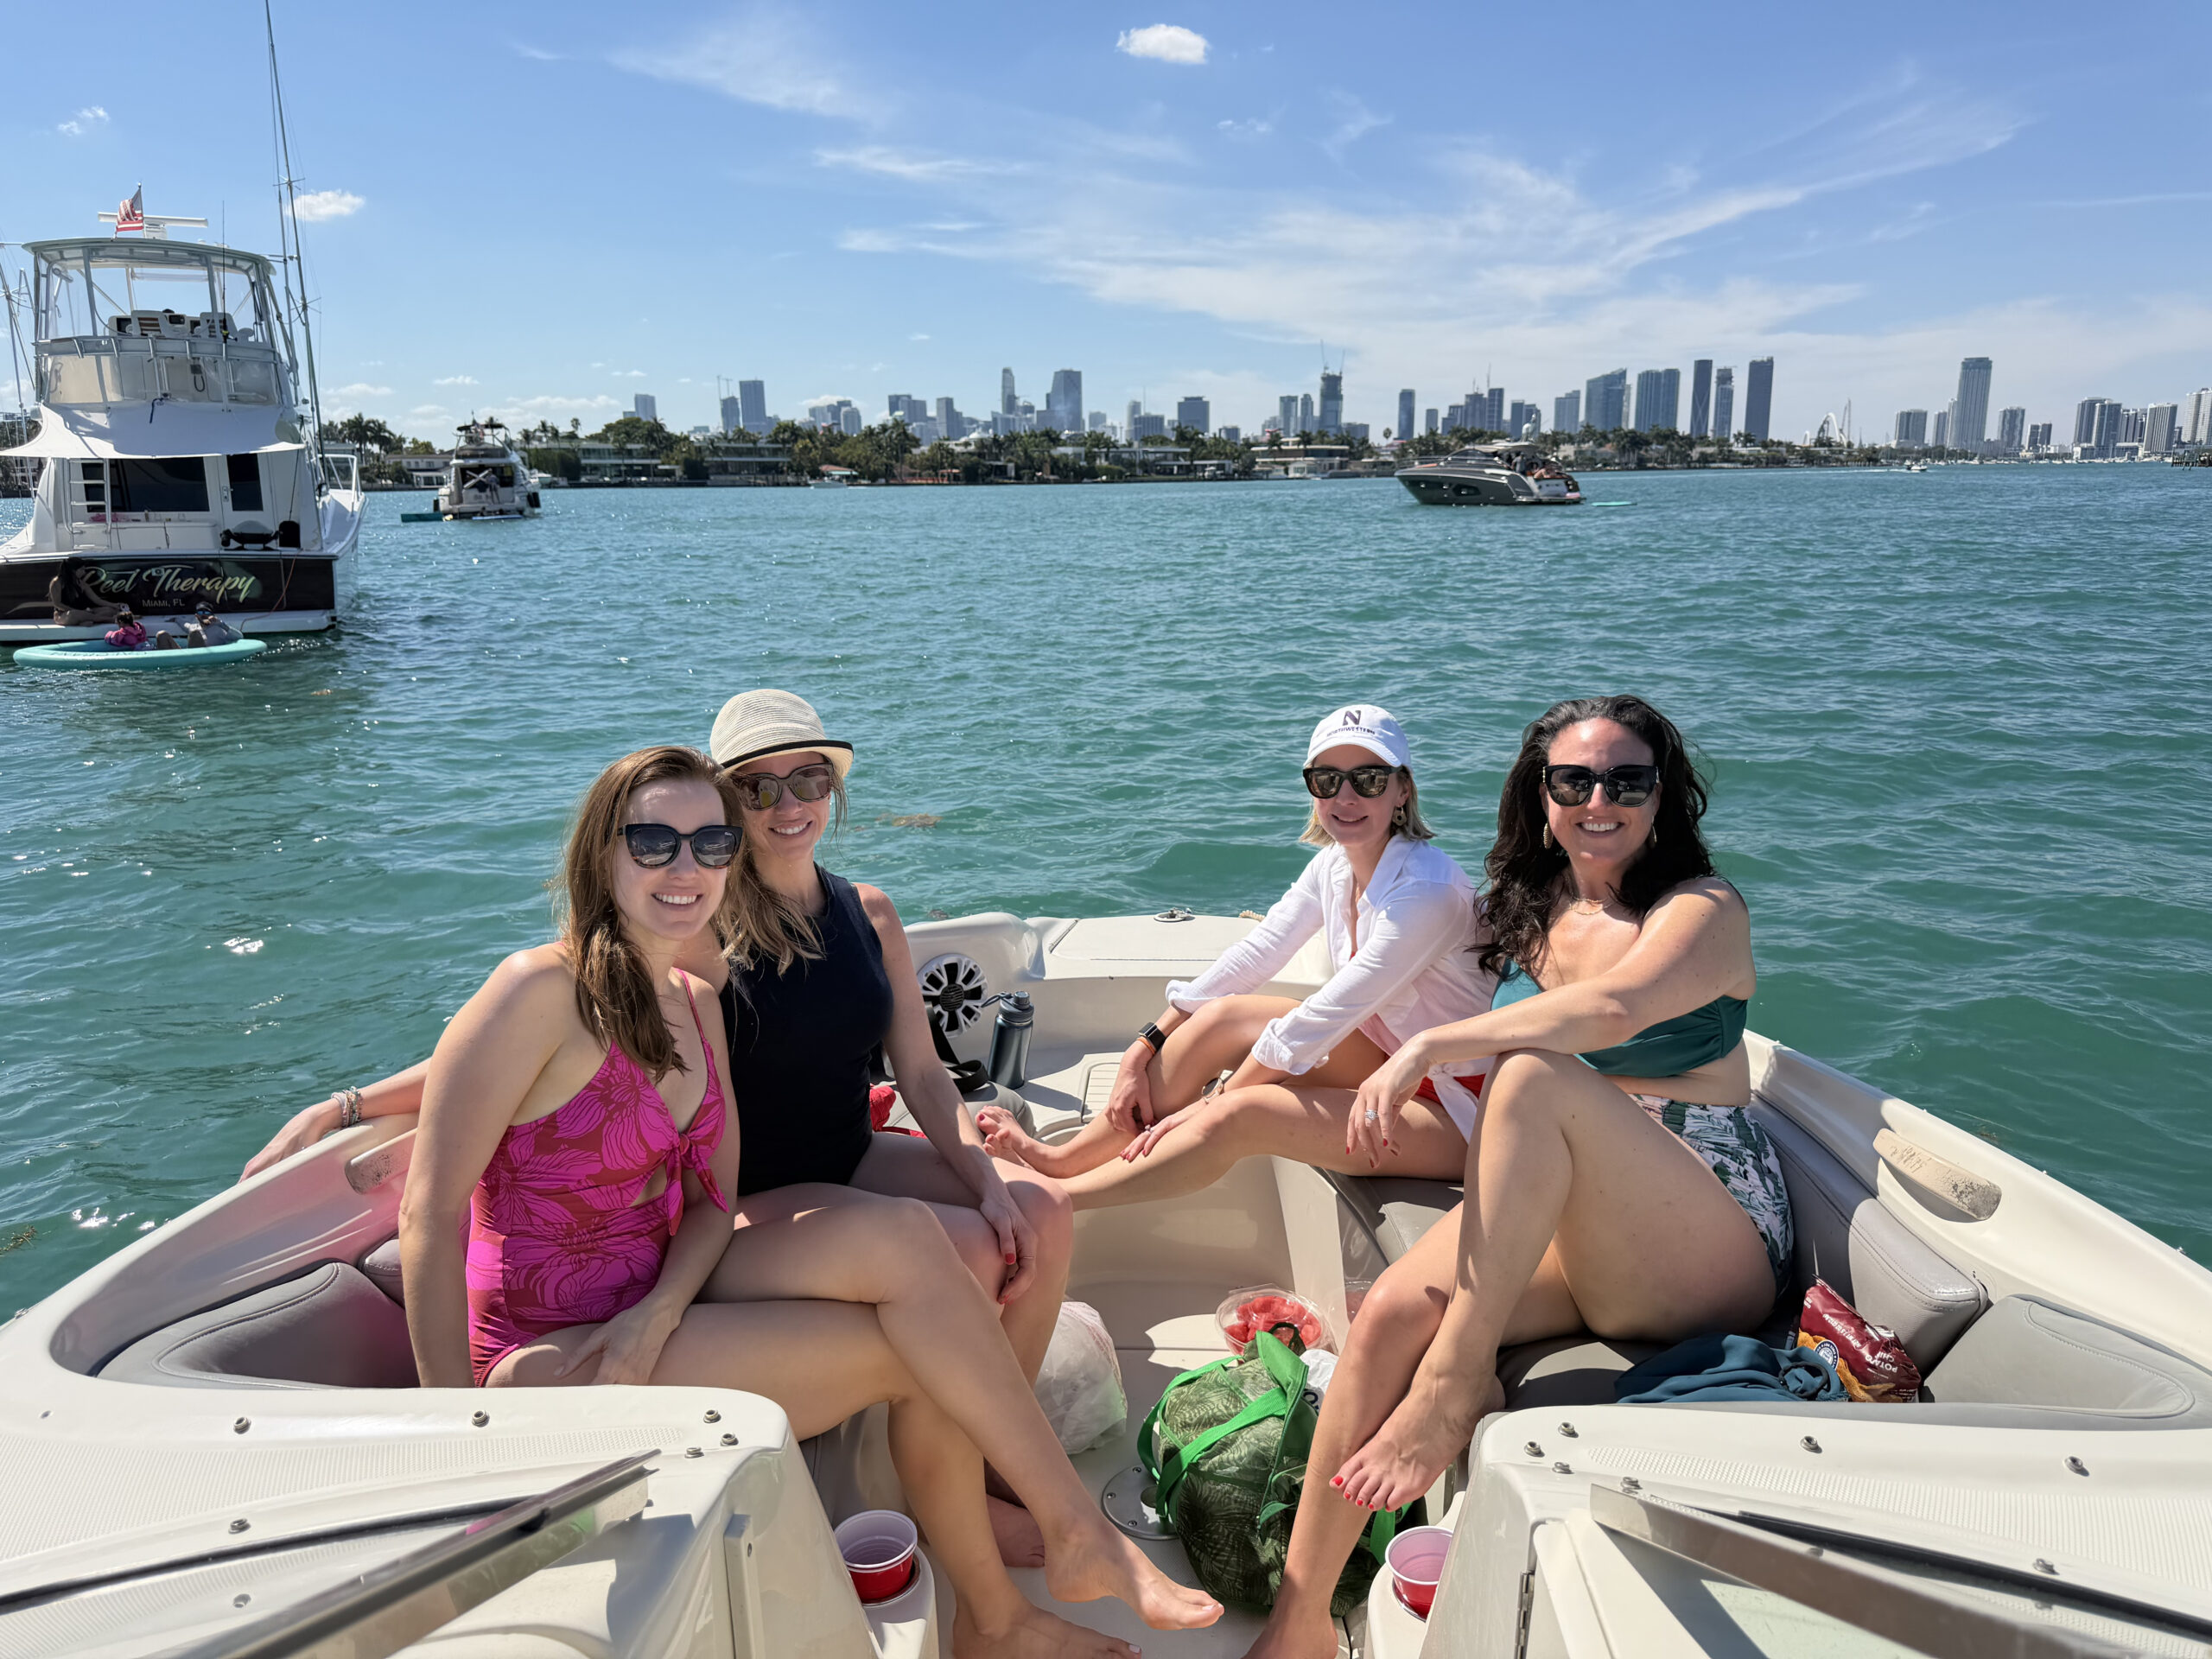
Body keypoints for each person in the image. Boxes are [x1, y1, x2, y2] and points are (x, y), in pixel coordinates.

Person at [404, 743, 1218, 1657]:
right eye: (653, 843)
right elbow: (429, 1213)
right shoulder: (537, 991)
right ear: (602, 854)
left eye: (708, 845)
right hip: (544, 1356)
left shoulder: (692, 1000)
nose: (686, 867)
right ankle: (1061, 1545)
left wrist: (658, 1311)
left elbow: (710, 1204)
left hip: (653, 1305)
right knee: (936, 1321)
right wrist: (458, 1440)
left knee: (934, 1328)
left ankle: (1000, 1617)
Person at [240, 690, 1076, 1562]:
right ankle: (974, 1497)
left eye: (811, 778)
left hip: (845, 1157)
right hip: (753, 1196)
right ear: (725, 805)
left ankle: (982, 1469)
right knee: (966, 1258)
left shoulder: (865, 913)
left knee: (1037, 1219)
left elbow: (920, 1071)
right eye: (758, 789)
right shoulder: (697, 924)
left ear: (836, 790)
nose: (789, 805)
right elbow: (549, 1029)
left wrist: (987, 1177)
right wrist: (356, 1103)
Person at [1242, 695, 1788, 1659]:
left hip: (1703, 1224)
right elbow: (1409, 930)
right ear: (1541, 800)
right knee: (1382, 1323)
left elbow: (1609, 1011)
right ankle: (1299, 1624)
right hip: (1569, 1210)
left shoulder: (1701, 910)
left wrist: (1434, 1048)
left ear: (1664, 796)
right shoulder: (1531, 913)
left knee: (1532, 1070)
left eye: (1627, 779)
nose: (1598, 801)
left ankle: (1457, 1382)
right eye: (1572, 781)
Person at [979, 703, 1495, 1212]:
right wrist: (1144, 1045)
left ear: (1402, 789)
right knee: (1220, 1018)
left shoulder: (1426, 893)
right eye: (1327, 779)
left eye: (1369, 779)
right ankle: (1061, 1160)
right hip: (1389, 1058)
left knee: (1242, 1110)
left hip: (1459, 1107)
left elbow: (1324, 1016)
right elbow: (1256, 952)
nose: (1346, 795)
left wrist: (1211, 1105)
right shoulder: (1335, 866)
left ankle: (1057, 1200)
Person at [48, 562, 123, 627]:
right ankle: (110, 620)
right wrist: (78, 611)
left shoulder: (81, 583)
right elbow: (57, 604)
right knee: (74, 614)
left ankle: (84, 621)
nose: (84, 572)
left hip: (84, 612)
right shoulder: (57, 582)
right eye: (82, 569)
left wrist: (114, 605)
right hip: (64, 614)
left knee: (109, 610)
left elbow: (96, 600)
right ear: (73, 570)